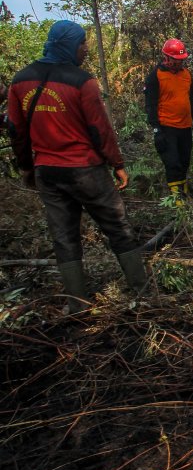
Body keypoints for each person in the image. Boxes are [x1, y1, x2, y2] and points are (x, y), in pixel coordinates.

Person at [6, 20, 147, 312]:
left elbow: (17, 133)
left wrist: (27, 168)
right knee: (118, 226)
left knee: (63, 235)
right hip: (86, 170)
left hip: (47, 172)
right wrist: (117, 163)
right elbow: (100, 129)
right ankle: (143, 290)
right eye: (82, 43)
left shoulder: (20, 81)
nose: (85, 49)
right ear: (69, 45)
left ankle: (77, 303)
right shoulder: (82, 82)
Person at [145, 38, 193, 205]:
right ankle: (176, 201)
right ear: (167, 58)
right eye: (176, 60)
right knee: (173, 163)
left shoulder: (186, 75)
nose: (179, 63)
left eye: (182, 60)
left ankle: (184, 197)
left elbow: (191, 100)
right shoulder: (155, 76)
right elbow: (150, 105)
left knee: (184, 162)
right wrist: (156, 129)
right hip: (166, 127)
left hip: (185, 127)